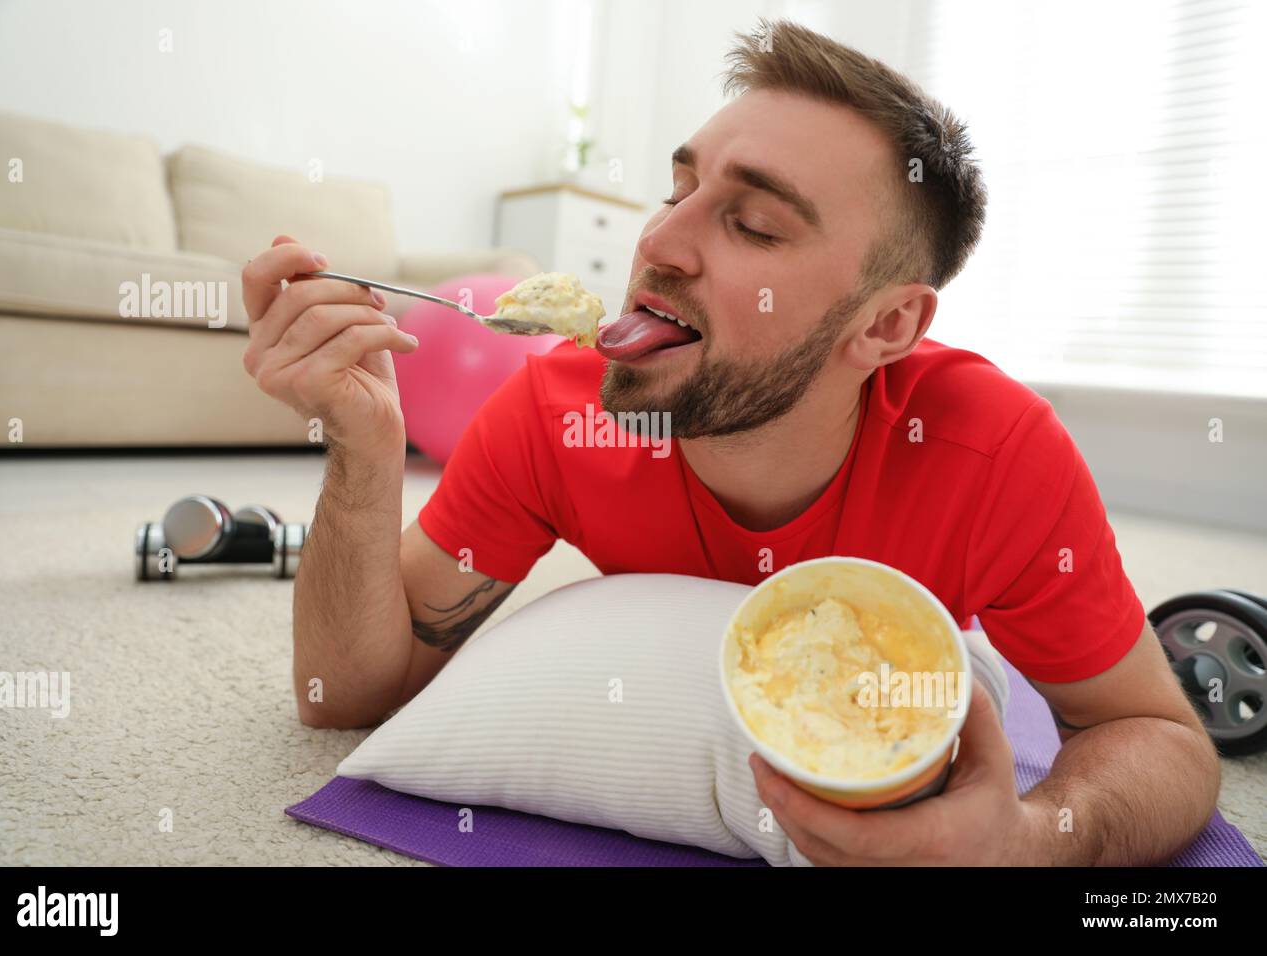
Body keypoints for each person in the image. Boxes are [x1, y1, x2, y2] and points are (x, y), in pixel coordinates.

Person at [240, 17, 1218, 865]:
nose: (657, 244)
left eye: (749, 222)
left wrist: (1028, 838)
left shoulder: (991, 454)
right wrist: (364, 451)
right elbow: (345, 695)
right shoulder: (555, 408)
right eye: (677, 189)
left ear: (882, 327)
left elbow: (1153, 731)